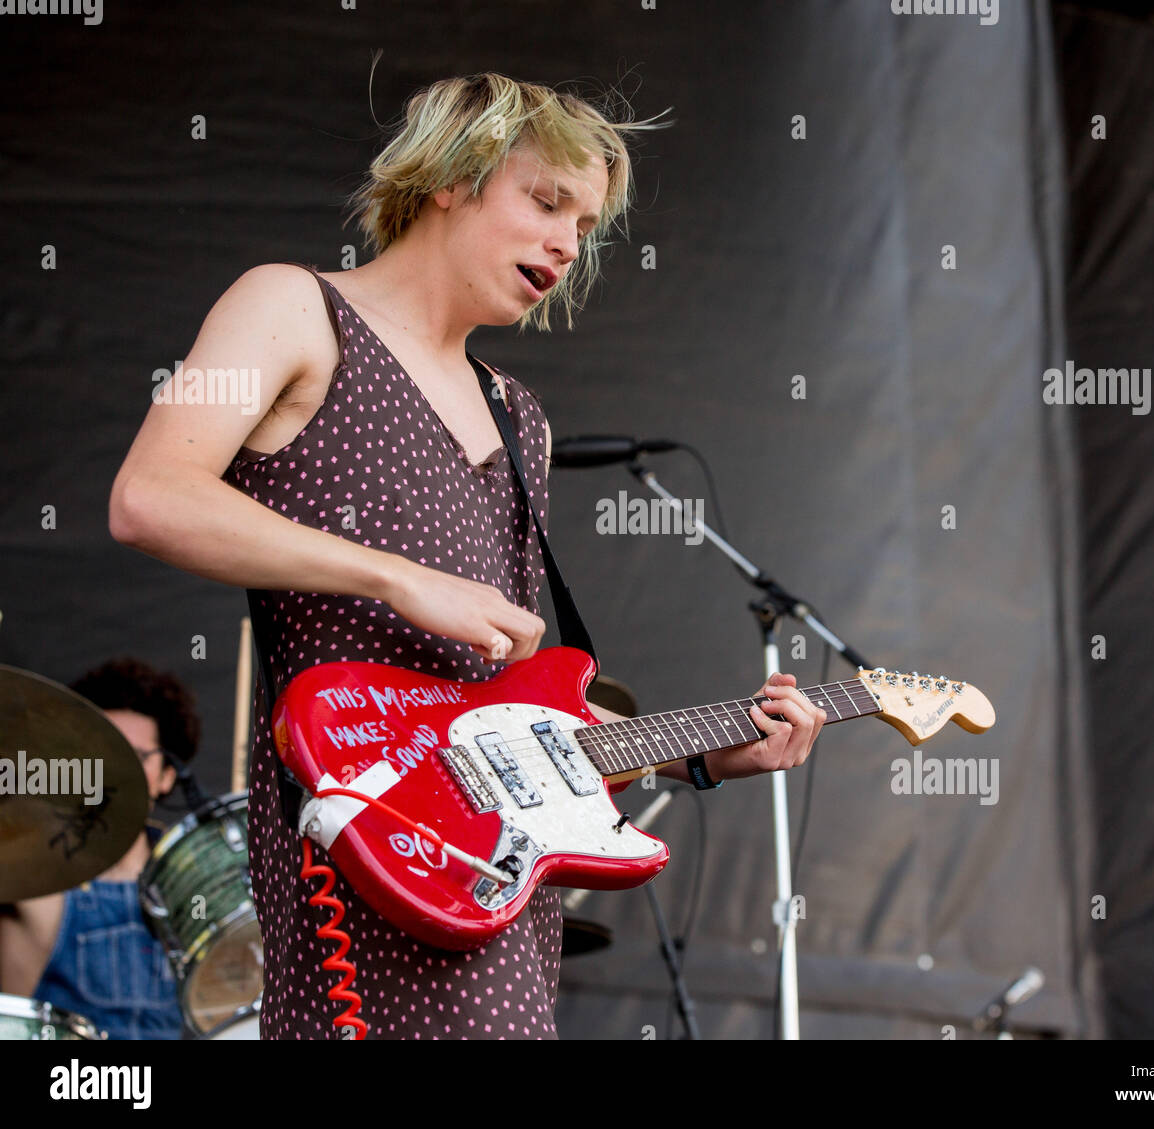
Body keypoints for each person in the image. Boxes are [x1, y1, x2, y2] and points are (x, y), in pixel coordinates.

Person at [108, 72, 827, 1039]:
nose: (568, 244)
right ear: (450, 177)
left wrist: (697, 756)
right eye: (546, 202)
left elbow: (515, 723)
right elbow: (152, 498)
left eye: (586, 224)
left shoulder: (515, 414)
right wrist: (394, 575)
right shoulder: (292, 308)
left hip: (496, 886)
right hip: (362, 845)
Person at [0, 657, 198, 1039]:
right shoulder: (34, 884)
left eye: (135, 757)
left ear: (167, 776)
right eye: (98, 752)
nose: (113, 769)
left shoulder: (197, 887)